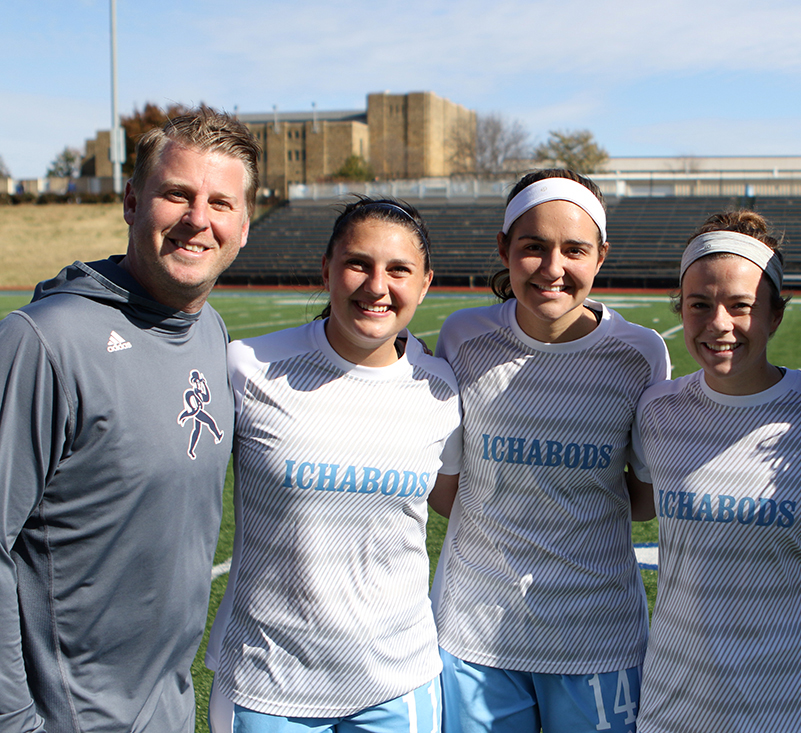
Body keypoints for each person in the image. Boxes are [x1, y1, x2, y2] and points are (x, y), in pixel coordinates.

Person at [0, 108, 259, 732]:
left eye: (220, 202)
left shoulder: (209, 331)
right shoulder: (44, 342)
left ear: (244, 227)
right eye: (177, 194)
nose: (198, 219)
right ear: (131, 201)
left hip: (165, 711)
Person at [204, 197, 461, 733]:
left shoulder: (442, 389)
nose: (376, 286)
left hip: (397, 681)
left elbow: (460, 503)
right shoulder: (248, 368)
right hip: (266, 682)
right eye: (358, 264)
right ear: (326, 269)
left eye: (398, 270)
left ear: (425, 282)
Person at [430, 169, 670, 733]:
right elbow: (449, 488)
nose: (553, 267)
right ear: (504, 249)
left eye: (575, 249)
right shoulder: (464, 338)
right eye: (533, 247)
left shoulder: (639, 354)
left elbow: (642, 498)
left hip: (597, 635)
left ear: (602, 255)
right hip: (475, 633)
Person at [630, 211, 801, 732]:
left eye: (741, 306)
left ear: (775, 315)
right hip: (676, 698)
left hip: (798, 701)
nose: (719, 324)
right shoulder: (656, 410)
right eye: (700, 305)